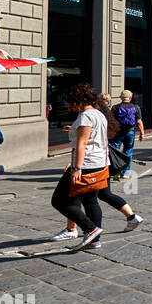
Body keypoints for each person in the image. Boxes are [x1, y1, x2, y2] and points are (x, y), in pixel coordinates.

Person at [48, 83, 109, 251]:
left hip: (86, 164)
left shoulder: (85, 116)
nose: (70, 106)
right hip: (99, 162)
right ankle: (95, 240)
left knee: (59, 201)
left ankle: (90, 229)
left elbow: (82, 143)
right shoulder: (99, 114)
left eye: (72, 102)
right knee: (90, 201)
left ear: (79, 101)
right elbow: (92, 138)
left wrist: (76, 167)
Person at [110, 90, 144, 170]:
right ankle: (126, 172)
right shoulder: (136, 107)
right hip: (130, 132)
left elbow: (111, 121)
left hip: (118, 132)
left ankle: (116, 172)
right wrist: (142, 134)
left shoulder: (115, 107)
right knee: (128, 151)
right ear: (130, 97)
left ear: (121, 97)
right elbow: (139, 122)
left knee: (116, 151)